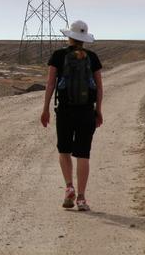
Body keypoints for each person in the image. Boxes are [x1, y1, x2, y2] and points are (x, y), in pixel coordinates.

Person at [40, 20, 103, 211]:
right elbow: (99, 87)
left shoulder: (59, 55)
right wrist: (98, 111)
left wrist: (45, 109)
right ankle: (82, 198)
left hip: (65, 111)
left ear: (70, 36)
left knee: (64, 151)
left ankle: (69, 187)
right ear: (84, 39)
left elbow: (50, 84)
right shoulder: (92, 57)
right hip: (86, 112)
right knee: (83, 154)